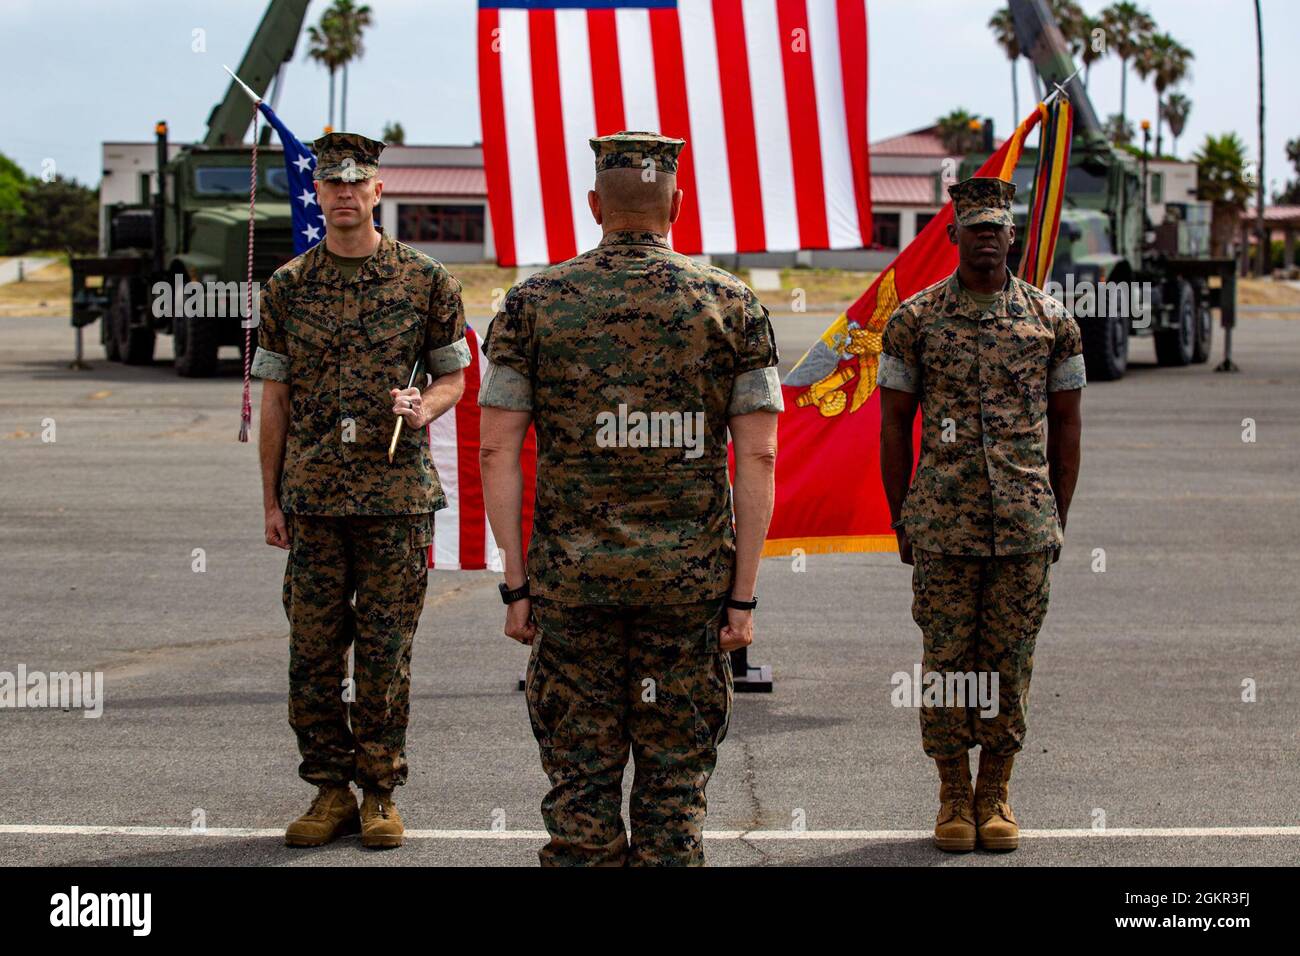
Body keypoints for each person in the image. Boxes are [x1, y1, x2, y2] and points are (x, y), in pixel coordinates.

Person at [477, 131, 783, 866]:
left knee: (579, 780)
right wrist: (742, 600)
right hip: (689, 589)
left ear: (594, 206)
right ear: (676, 204)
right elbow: (761, 452)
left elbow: (495, 449)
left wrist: (517, 586)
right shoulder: (730, 304)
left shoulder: (535, 302)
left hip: (571, 584)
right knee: (675, 785)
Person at [252, 132, 471, 849]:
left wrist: (426, 407)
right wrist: (271, 501)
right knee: (312, 653)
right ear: (318, 195)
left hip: (395, 499)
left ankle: (380, 791)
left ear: (379, 191)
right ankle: (328, 791)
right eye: (332, 184)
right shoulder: (287, 287)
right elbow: (275, 400)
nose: (345, 194)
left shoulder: (426, 280)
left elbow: (454, 377)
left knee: (384, 653)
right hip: (314, 501)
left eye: (358, 183)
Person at [877, 176, 1085, 853]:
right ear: (953, 236)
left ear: (1013, 235)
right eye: (976, 228)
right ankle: (951, 795)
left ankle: (995, 791)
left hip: (1024, 527)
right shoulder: (914, 320)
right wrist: (900, 516)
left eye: (997, 227)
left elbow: (1067, 423)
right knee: (945, 663)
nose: (988, 238)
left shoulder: (1051, 321)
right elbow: (893, 428)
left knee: (1009, 662)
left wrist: (1056, 515)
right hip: (942, 524)